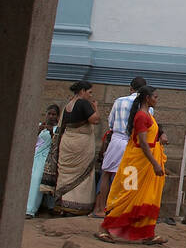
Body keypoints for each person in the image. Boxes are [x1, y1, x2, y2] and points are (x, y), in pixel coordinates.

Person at [97, 87, 167, 244]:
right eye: (155, 97)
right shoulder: (142, 116)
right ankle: (104, 228)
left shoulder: (147, 115)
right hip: (135, 164)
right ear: (147, 98)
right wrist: (155, 163)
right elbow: (142, 143)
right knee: (126, 196)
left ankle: (147, 233)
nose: (156, 100)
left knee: (145, 196)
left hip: (143, 163)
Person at [93, 75, 148, 218]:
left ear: (131, 89)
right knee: (131, 175)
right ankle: (125, 210)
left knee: (106, 173)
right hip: (133, 143)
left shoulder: (119, 101)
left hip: (117, 140)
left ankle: (101, 208)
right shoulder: (146, 107)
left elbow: (111, 123)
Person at [55, 81, 101, 214]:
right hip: (80, 143)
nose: (91, 95)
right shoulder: (83, 103)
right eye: (90, 92)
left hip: (67, 142)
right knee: (82, 175)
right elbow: (95, 120)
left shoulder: (68, 104)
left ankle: (62, 204)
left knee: (66, 174)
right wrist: (96, 107)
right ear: (82, 91)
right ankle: (76, 207)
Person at [25, 104, 60, 217]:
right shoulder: (40, 126)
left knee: (37, 178)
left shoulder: (57, 129)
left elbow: (56, 145)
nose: (50, 116)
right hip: (33, 156)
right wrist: (37, 131)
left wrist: (51, 132)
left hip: (46, 159)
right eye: (49, 114)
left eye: (53, 114)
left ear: (58, 116)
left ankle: (30, 210)